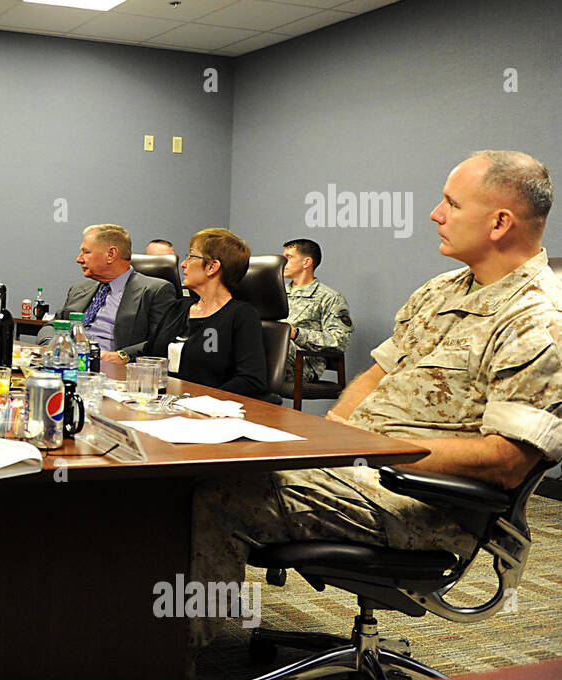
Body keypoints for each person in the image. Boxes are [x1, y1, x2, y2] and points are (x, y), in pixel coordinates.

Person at [191, 151, 562, 645]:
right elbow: (375, 374)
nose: (436, 214)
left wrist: (369, 448)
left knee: (212, 491)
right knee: (203, 464)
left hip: (418, 499)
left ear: (499, 222)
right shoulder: (439, 290)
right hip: (355, 466)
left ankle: (184, 651)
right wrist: (334, 431)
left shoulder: (539, 319)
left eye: (451, 203)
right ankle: (191, 634)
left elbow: (505, 462)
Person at [134, 228, 267, 397]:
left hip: (207, 413)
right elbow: (148, 355)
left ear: (212, 266)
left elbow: (251, 380)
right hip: (161, 404)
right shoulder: (177, 309)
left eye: (191, 256)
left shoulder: (242, 316)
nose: (183, 264)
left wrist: (202, 400)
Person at [37, 224, 174, 365]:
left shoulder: (155, 291)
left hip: (113, 372)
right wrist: (53, 345)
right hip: (68, 365)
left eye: (86, 252)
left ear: (110, 254)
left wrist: (122, 355)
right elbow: (52, 325)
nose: (79, 259)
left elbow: (160, 342)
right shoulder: (79, 289)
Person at [281, 238, 353, 385]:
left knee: (271, 344)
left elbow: (340, 341)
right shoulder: (278, 293)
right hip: (275, 358)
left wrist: (297, 334)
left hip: (304, 364)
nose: (283, 262)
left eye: (289, 257)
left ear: (306, 262)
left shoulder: (329, 298)